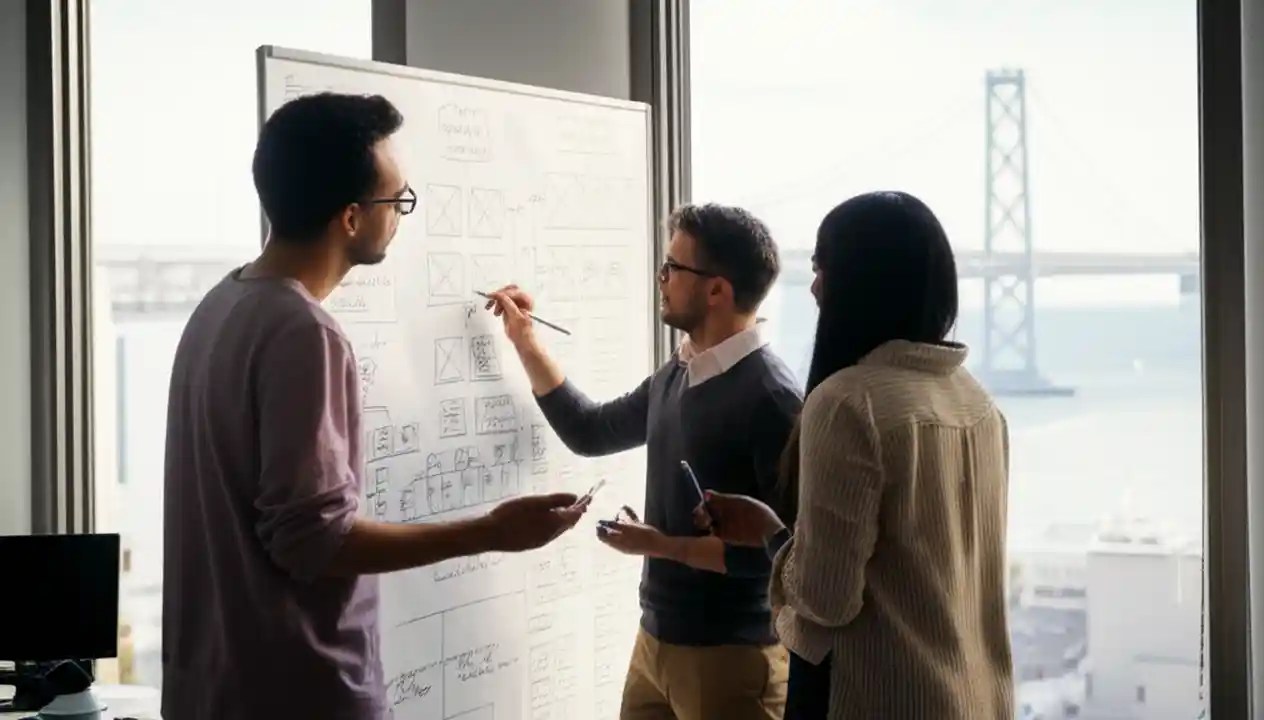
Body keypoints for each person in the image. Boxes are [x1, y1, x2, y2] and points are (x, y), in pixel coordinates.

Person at [161, 93, 588, 720]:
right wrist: (494, 531)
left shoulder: (220, 306)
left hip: (213, 688)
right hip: (297, 692)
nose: (402, 216)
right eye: (398, 201)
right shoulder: (303, 332)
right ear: (352, 218)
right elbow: (314, 543)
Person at [698, 191, 1014, 719]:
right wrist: (774, 531)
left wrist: (776, 544)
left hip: (874, 698)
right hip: (975, 698)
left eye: (823, 268)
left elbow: (826, 600)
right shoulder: (977, 403)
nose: (816, 288)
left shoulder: (848, 402)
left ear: (863, 281)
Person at [485, 203, 803, 719]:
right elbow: (590, 430)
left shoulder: (772, 397)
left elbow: (783, 553)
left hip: (733, 657)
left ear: (717, 290)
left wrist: (660, 546)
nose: (662, 278)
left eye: (673, 268)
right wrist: (524, 340)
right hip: (656, 639)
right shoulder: (678, 374)